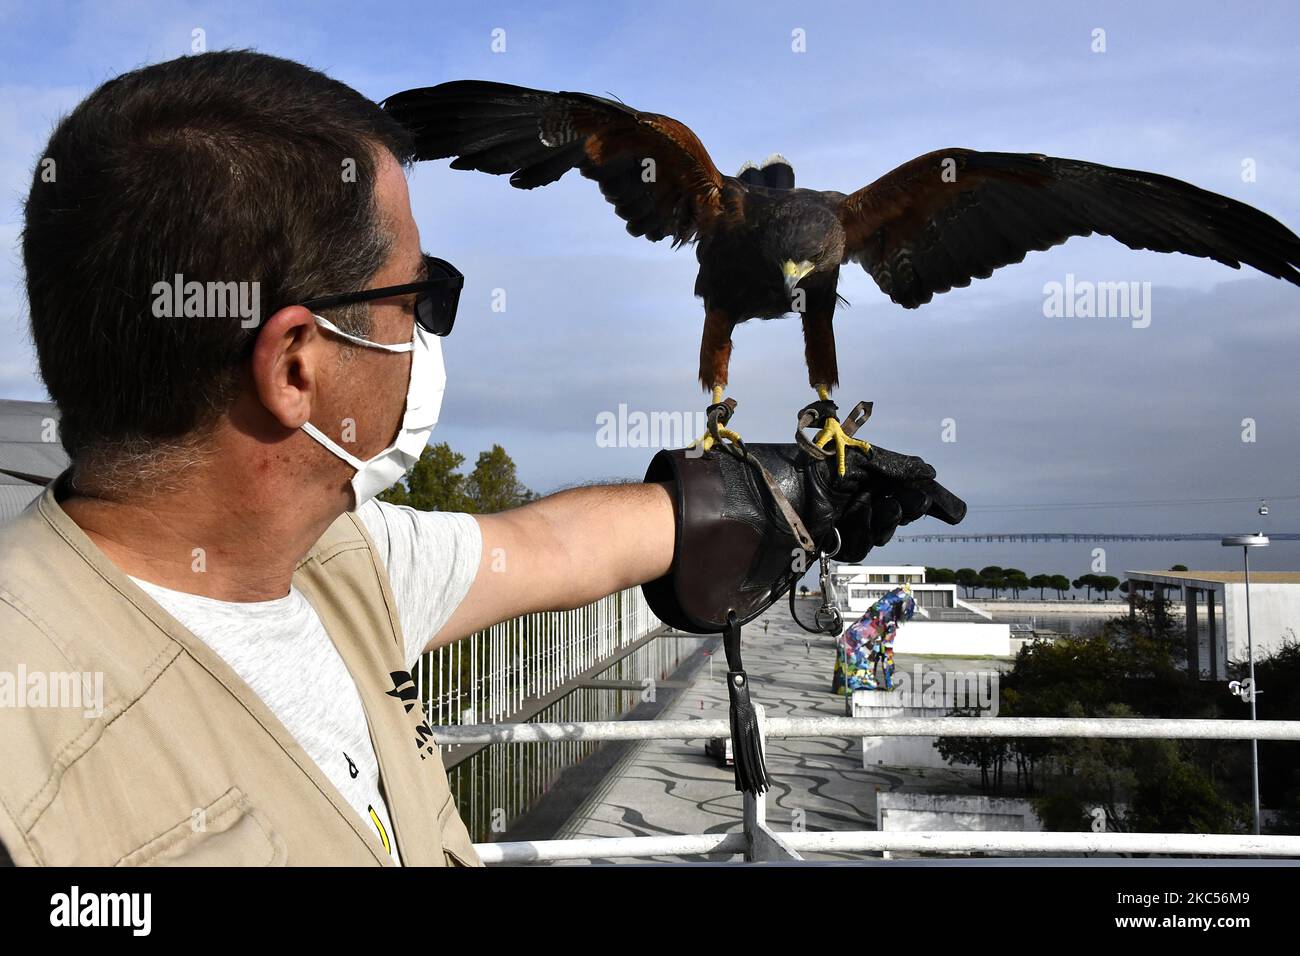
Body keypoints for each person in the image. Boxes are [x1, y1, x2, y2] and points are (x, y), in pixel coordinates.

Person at [0, 51, 963, 866]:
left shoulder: (335, 562)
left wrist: (784, 493)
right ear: (297, 367)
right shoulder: (28, 751)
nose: (431, 331)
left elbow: (552, 547)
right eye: (423, 295)